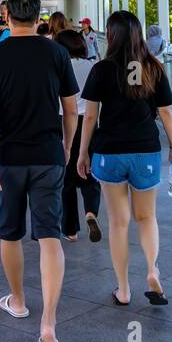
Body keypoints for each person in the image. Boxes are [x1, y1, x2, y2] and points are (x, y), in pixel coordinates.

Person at [0, 0, 79, 342]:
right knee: (49, 234)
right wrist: (67, 146)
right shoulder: (57, 53)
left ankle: (18, 301)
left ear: (7, 18)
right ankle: (49, 326)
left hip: (8, 156)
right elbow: (71, 109)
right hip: (48, 153)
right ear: (38, 18)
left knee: (10, 231)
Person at [77, 10, 172, 306]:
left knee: (119, 222)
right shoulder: (153, 67)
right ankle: (152, 270)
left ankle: (123, 290)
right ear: (138, 35)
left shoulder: (101, 69)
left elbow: (89, 117)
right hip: (145, 150)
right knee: (147, 216)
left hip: (110, 151)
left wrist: (83, 152)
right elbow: (165, 111)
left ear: (111, 36)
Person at [54, 29, 100, 243]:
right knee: (89, 171)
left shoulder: (58, 66)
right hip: (89, 122)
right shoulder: (93, 66)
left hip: (64, 121)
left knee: (67, 178)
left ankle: (70, 229)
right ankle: (91, 211)